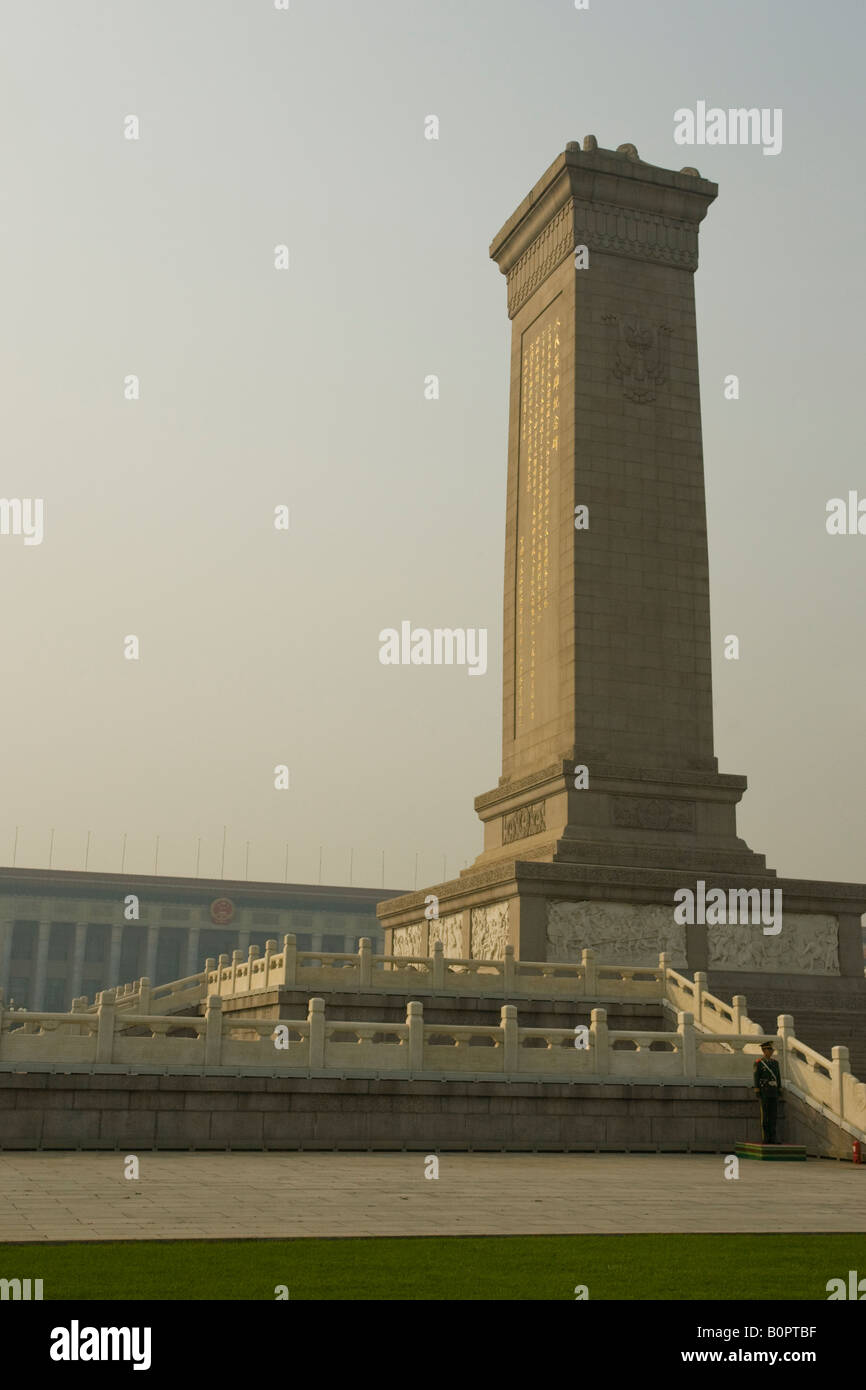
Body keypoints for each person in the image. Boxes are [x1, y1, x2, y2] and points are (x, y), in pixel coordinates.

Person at [753, 1040, 782, 1144]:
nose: (771, 1051)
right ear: (764, 1050)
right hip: (764, 1092)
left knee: (773, 1115)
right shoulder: (759, 1063)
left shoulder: (775, 1063)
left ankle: (773, 1138)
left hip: (773, 1092)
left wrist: (779, 1089)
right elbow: (756, 1077)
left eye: (771, 1049)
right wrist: (757, 1089)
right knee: (765, 1116)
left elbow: (778, 1077)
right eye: (769, 1049)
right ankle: (766, 1138)